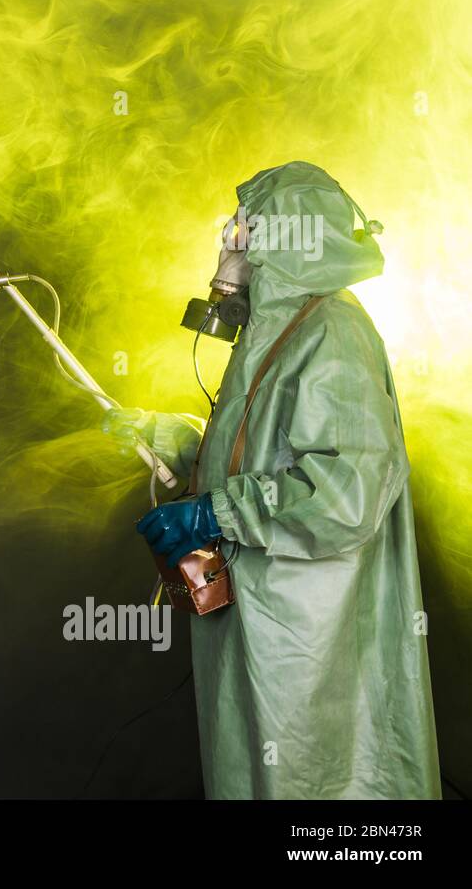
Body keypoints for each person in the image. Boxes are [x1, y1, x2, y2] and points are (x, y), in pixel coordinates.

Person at [103, 160, 440, 798]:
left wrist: (213, 516)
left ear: (291, 237)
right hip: (258, 623)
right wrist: (180, 441)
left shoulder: (333, 334)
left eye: (244, 227)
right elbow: (260, 456)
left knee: (318, 788)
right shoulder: (272, 333)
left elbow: (346, 494)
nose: (230, 241)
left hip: (308, 635)